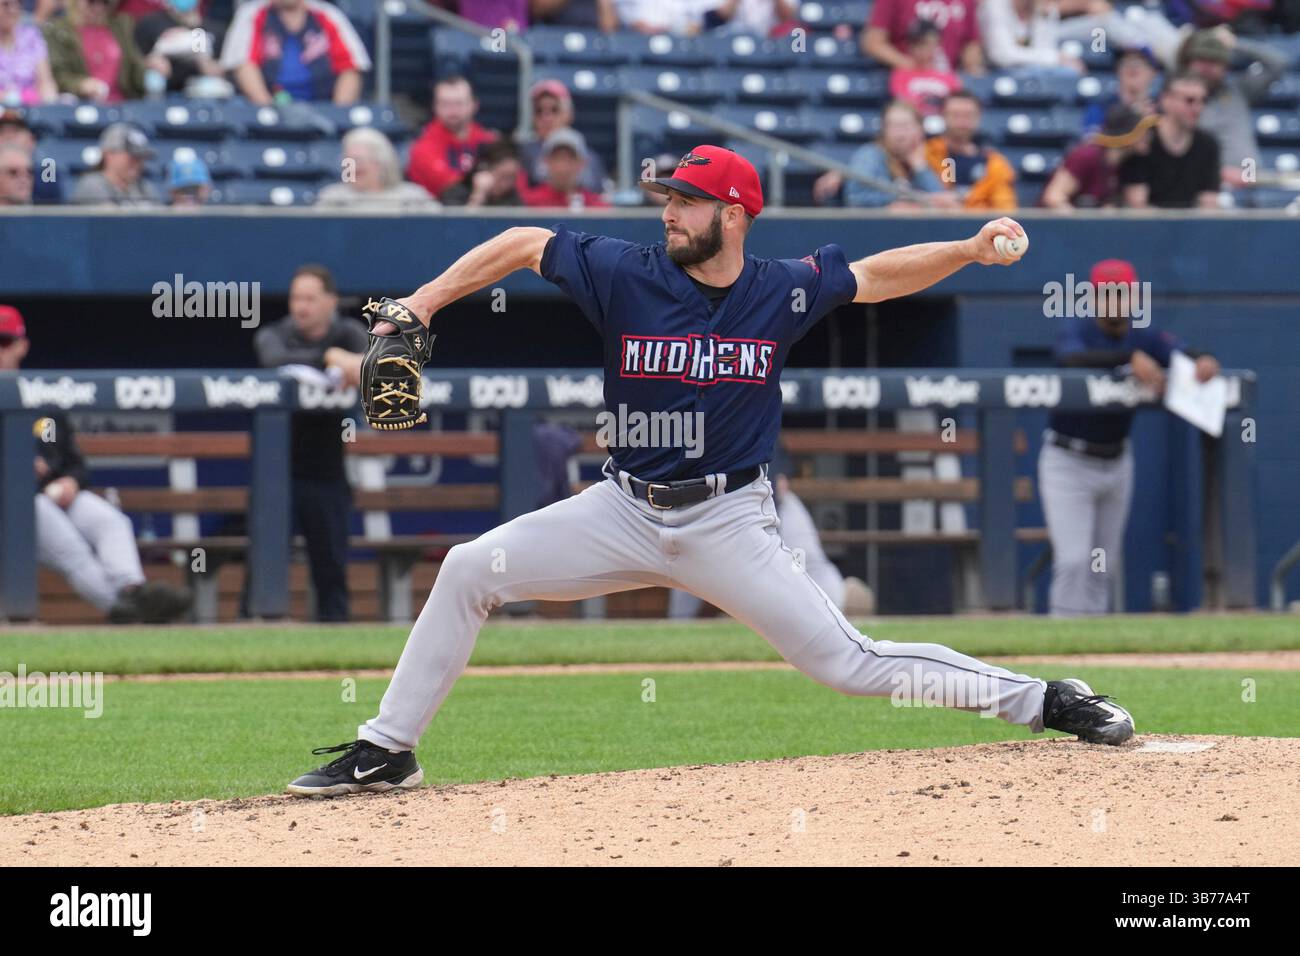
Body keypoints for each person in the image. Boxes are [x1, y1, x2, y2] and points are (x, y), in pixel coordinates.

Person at [285, 143, 1135, 797]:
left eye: (687, 201)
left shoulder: (783, 288)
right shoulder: (626, 273)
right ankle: (387, 749)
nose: (669, 213)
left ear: (734, 214)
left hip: (729, 522)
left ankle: (1049, 700)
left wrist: (970, 247)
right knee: (471, 569)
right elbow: (521, 239)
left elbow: (878, 276)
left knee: (849, 664)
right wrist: (422, 302)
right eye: (667, 198)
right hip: (621, 508)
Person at [1039, 259, 1219, 616]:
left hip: (1116, 459)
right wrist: (1128, 358)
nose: (1115, 301)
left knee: (1100, 564)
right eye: (1107, 294)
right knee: (1074, 561)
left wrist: (1203, 360)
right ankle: (1062, 638)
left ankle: (1092, 647)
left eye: (1121, 294)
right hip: (1068, 459)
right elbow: (1071, 359)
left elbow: (1180, 350)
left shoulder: (1144, 334)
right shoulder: (1077, 329)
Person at [0, 305, 192, 624]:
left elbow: (75, 464)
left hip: (53, 496)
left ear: (22, 346)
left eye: (4, 342)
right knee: (69, 543)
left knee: (110, 521)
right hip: (14, 507)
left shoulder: (42, 398)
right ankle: (125, 611)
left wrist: (70, 483)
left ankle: (133, 591)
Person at [253, 264, 366, 623]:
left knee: (331, 567)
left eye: (310, 299)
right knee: (264, 562)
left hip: (327, 471)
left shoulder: (349, 332)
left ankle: (339, 642)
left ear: (330, 301)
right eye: (296, 298)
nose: (300, 306)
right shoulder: (275, 334)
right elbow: (273, 359)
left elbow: (371, 363)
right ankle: (256, 629)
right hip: (276, 473)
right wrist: (331, 359)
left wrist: (347, 359)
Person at [1176, 27, 1287, 192]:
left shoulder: (1238, 90)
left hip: (1249, 177)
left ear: (1225, 67)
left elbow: (1279, 62)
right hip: (1206, 184)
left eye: (1214, 62)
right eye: (1201, 60)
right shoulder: (1176, 99)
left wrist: (1235, 44)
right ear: (1189, 63)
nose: (1207, 68)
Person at [220, 0, 370, 106]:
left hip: (323, 105)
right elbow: (244, 65)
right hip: (266, 108)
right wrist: (267, 109)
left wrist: (337, 115)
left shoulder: (327, 14)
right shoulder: (252, 13)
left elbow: (351, 68)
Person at [812, 99, 957, 208]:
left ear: (920, 130)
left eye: (906, 126)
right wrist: (900, 202)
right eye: (893, 126)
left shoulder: (932, 153)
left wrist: (920, 168)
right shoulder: (870, 155)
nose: (900, 134)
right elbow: (857, 198)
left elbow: (941, 200)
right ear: (884, 131)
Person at [1119, 72, 1220, 209]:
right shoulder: (1143, 140)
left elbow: (1209, 201)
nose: (1198, 108)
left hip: (1191, 226)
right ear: (1166, 100)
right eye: (1189, 100)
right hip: (1148, 227)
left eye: (1203, 101)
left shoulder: (1208, 144)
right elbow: (1138, 204)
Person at [1041, 104, 1156, 208]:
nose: (1148, 136)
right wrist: (1082, 223)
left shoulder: (1126, 164)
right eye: (1140, 131)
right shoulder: (1087, 155)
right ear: (1124, 133)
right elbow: (1054, 197)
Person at [406, 75, 498, 200]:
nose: (452, 110)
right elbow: (451, 190)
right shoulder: (423, 147)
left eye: (459, 103)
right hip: (437, 215)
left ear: (474, 105)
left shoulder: (489, 141)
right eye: (445, 104)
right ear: (435, 106)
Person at [42, 0, 155, 102]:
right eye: (92, 1)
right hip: (81, 106)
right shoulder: (57, 30)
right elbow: (58, 74)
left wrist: (149, 64)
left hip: (122, 104)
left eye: (104, 2)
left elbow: (134, 64)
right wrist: (80, 85)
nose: (98, 7)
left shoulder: (121, 25)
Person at [924, 89, 1016, 209]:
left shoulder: (994, 163)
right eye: (955, 115)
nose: (962, 122)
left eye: (968, 115)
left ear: (979, 118)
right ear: (943, 116)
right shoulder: (925, 153)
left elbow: (1005, 208)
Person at [519, 79, 608, 194]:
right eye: (539, 111)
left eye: (554, 110)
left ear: (569, 114)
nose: (546, 117)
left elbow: (596, 194)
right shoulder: (522, 153)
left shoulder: (590, 157)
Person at [317, 126, 439, 208]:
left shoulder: (413, 198)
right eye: (348, 162)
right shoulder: (332, 199)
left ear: (382, 163)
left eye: (358, 160)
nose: (352, 168)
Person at [862, 0, 985, 75]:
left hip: (948, 78)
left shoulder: (966, 1)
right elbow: (873, 43)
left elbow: (971, 41)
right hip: (904, 77)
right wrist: (911, 66)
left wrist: (970, 67)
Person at [132, 0, 225, 94]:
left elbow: (227, 69)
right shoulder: (149, 24)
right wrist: (151, 61)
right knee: (153, 80)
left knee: (213, 87)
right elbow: (134, 58)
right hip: (165, 83)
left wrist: (210, 66)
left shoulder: (216, 30)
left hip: (199, 86)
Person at [977, 0, 1086, 73]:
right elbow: (1001, 56)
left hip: (1033, 69)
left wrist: (1044, 15)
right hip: (995, 70)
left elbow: (1044, 49)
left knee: (1069, 73)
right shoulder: (994, 4)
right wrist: (1056, 57)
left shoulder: (1045, 7)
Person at [71, 121, 162, 204]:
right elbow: (112, 219)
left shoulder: (145, 187)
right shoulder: (92, 184)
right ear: (109, 154)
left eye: (141, 158)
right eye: (132, 157)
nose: (137, 164)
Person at [520, 127, 608, 208]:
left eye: (570, 158)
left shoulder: (597, 207)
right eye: (556, 158)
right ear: (545, 161)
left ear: (582, 163)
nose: (562, 167)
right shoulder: (528, 203)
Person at [888, 19, 962, 115]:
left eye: (926, 43)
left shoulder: (948, 76)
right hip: (915, 122)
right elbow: (904, 105)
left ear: (937, 44)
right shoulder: (900, 74)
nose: (922, 49)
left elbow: (956, 104)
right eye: (916, 43)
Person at [1081, 44, 1160, 132]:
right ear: (1117, 70)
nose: (1132, 66)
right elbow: (1091, 140)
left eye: (1139, 63)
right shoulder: (1100, 108)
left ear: (1153, 72)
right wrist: (1133, 114)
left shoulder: (1161, 109)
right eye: (1126, 61)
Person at [0, 0, 59, 104]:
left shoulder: (32, 36)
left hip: (30, 108)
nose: (12, 9)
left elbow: (45, 80)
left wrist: (50, 103)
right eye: (6, 4)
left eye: (18, 4)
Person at [438, 137, 524, 206]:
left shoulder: (512, 198)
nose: (506, 184)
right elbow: (459, 226)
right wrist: (479, 195)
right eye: (503, 177)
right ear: (485, 170)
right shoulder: (455, 193)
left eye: (512, 178)